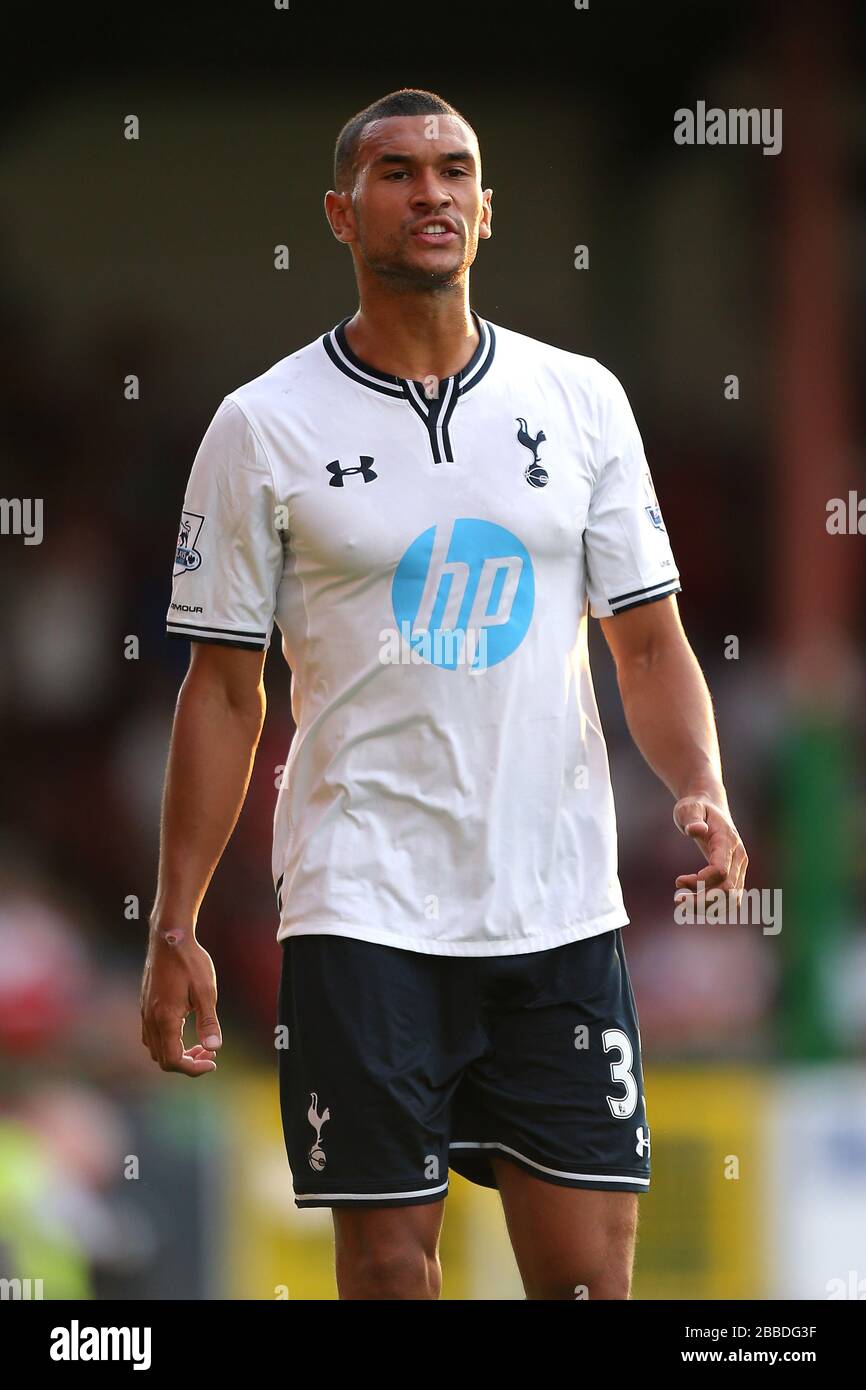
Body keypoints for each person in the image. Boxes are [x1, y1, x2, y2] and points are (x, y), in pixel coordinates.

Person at [141, 88, 748, 1300]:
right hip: (361, 906)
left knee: (587, 1278)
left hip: (556, 904)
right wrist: (174, 920)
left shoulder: (579, 400)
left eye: (454, 170)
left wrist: (699, 785)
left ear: (486, 211)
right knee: (385, 1265)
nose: (430, 191)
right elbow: (221, 691)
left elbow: (644, 637)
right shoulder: (259, 425)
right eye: (396, 171)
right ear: (339, 211)